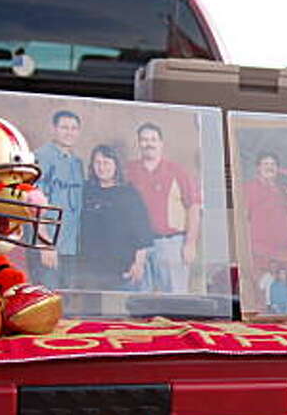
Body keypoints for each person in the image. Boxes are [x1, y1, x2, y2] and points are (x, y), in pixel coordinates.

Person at [125, 122, 202, 293]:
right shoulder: (129, 171)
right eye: (144, 140)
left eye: (153, 139)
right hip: (137, 247)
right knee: (138, 301)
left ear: (161, 143)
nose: (149, 143)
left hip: (170, 244)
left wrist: (190, 243)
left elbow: (194, 207)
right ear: (138, 143)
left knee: (175, 301)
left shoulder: (177, 171)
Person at [76, 144, 153, 293]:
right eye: (97, 163)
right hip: (91, 272)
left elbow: (142, 232)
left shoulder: (129, 193)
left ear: (116, 165)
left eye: (106, 163)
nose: (102, 167)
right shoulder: (86, 190)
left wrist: (139, 264)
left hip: (123, 269)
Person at [30, 109, 84, 289]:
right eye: (64, 127)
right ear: (54, 129)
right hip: (48, 245)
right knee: (47, 301)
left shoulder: (77, 163)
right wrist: (45, 244)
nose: (69, 132)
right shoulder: (41, 157)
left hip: (70, 247)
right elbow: (33, 204)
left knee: (66, 303)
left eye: (74, 128)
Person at [242, 152, 287, 264]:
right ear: (258, 167)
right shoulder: (249, 187)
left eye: (273, 164)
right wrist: (246, 247)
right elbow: (243, 217)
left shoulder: (283, 190)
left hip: (286, 250)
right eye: (266, 164)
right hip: (261, 250)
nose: (269, 167)